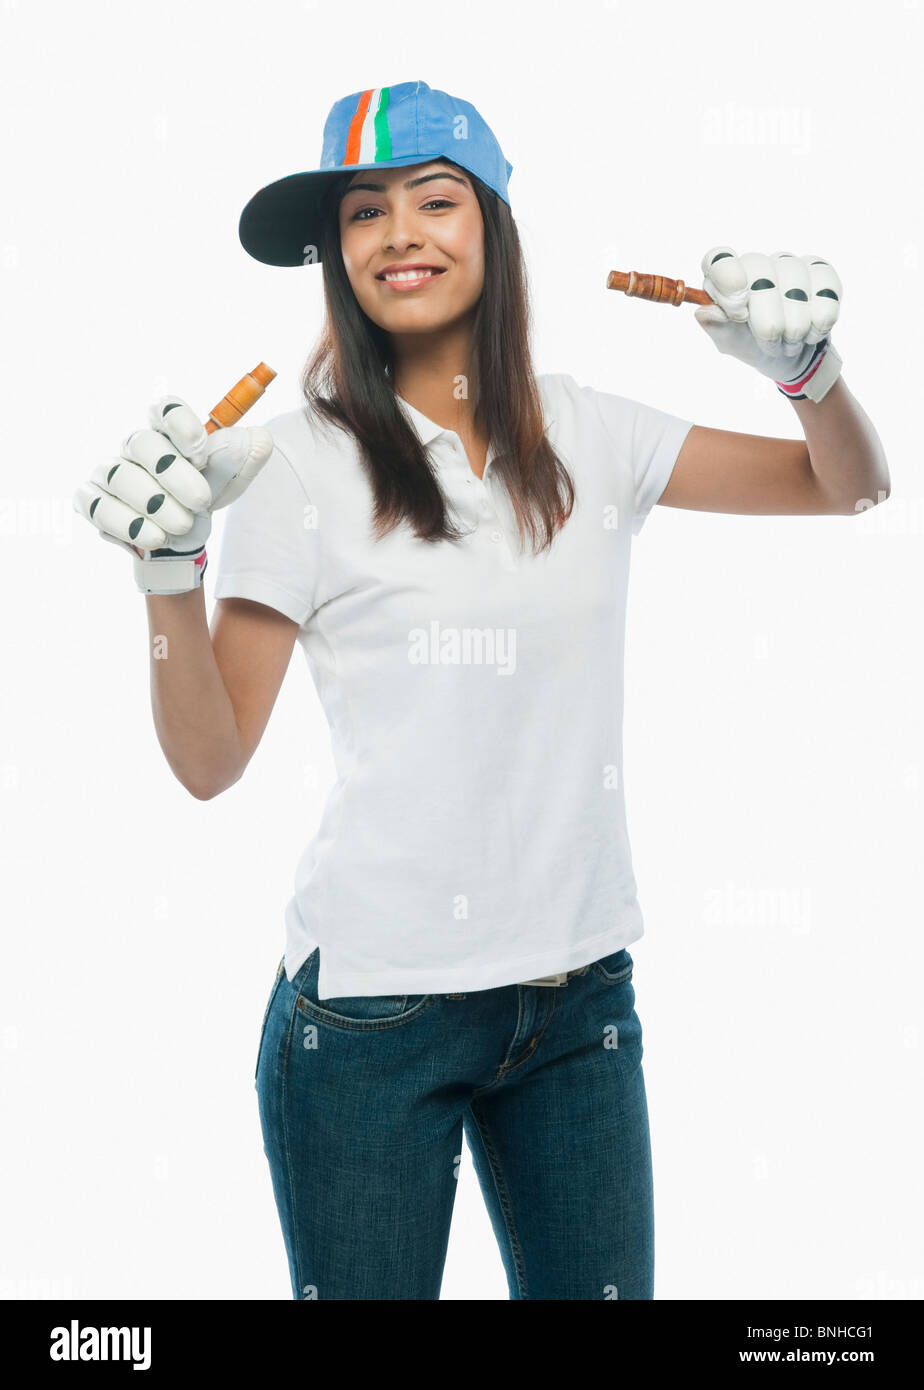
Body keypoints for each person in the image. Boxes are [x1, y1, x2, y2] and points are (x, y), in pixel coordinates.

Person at [73, 80, 890, 1301]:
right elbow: (208, 763)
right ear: (335, 258)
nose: (399, 233)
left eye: (435, 199)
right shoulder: (294, 462)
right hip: (370, 1020)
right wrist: (166, 580)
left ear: (495, 227)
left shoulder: (591, 433)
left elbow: (849, 489)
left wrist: (811, 371)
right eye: (362, 215)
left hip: (578, 1007)